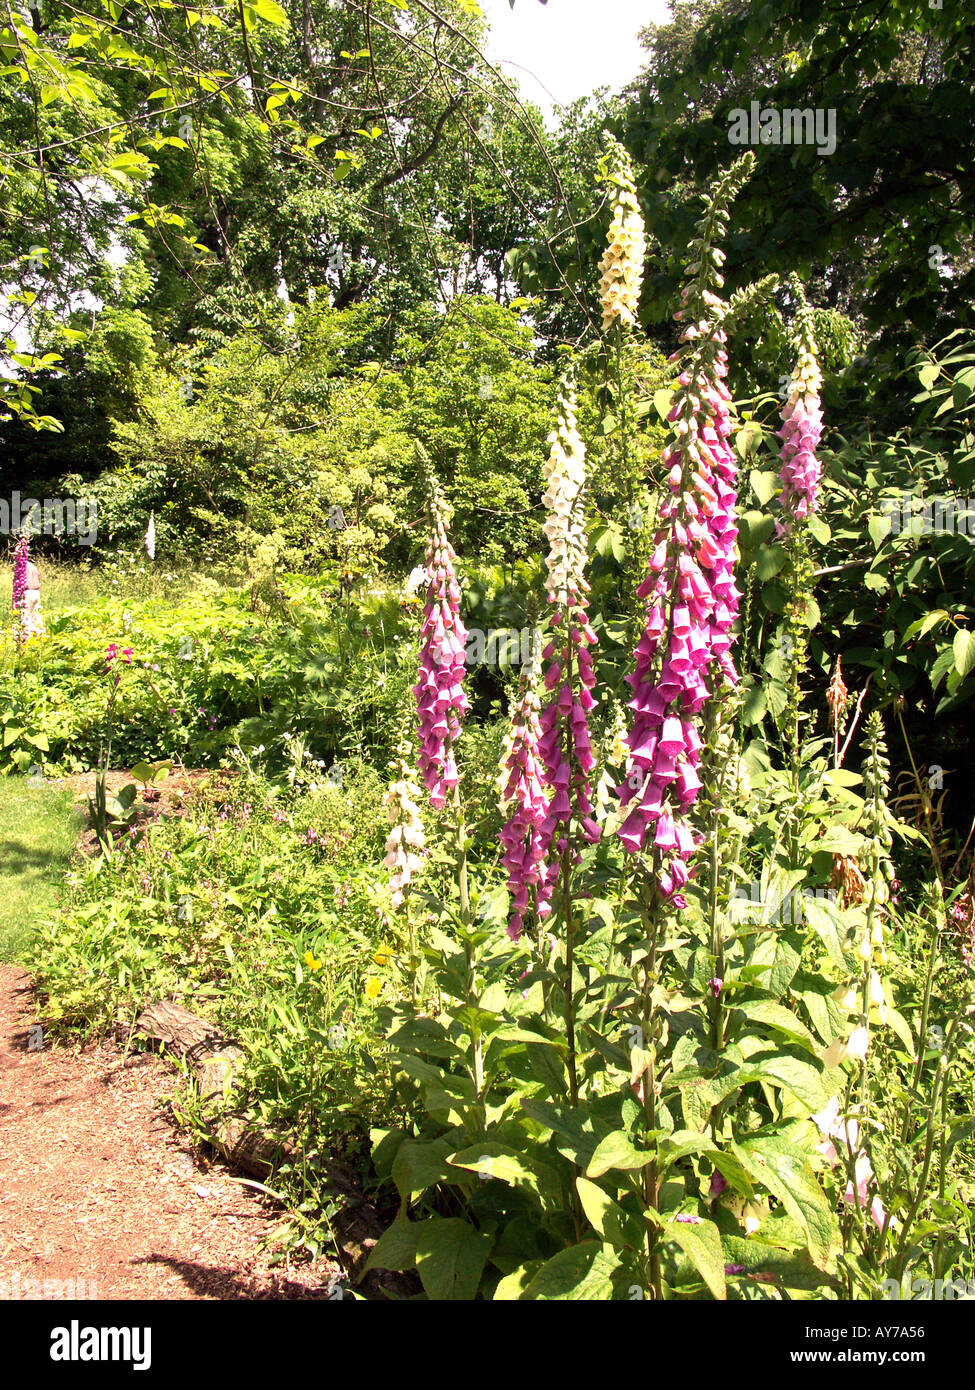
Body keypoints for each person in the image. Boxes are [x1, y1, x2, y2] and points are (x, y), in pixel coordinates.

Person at [22, 557, 43, 636]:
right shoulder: (33, 566)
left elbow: (19, 584)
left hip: (27, 592)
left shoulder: (22, 566)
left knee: (26, 616)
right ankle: (40, 633)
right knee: (35, 615)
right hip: (36, 592)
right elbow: (39, 579)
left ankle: (28, 636)